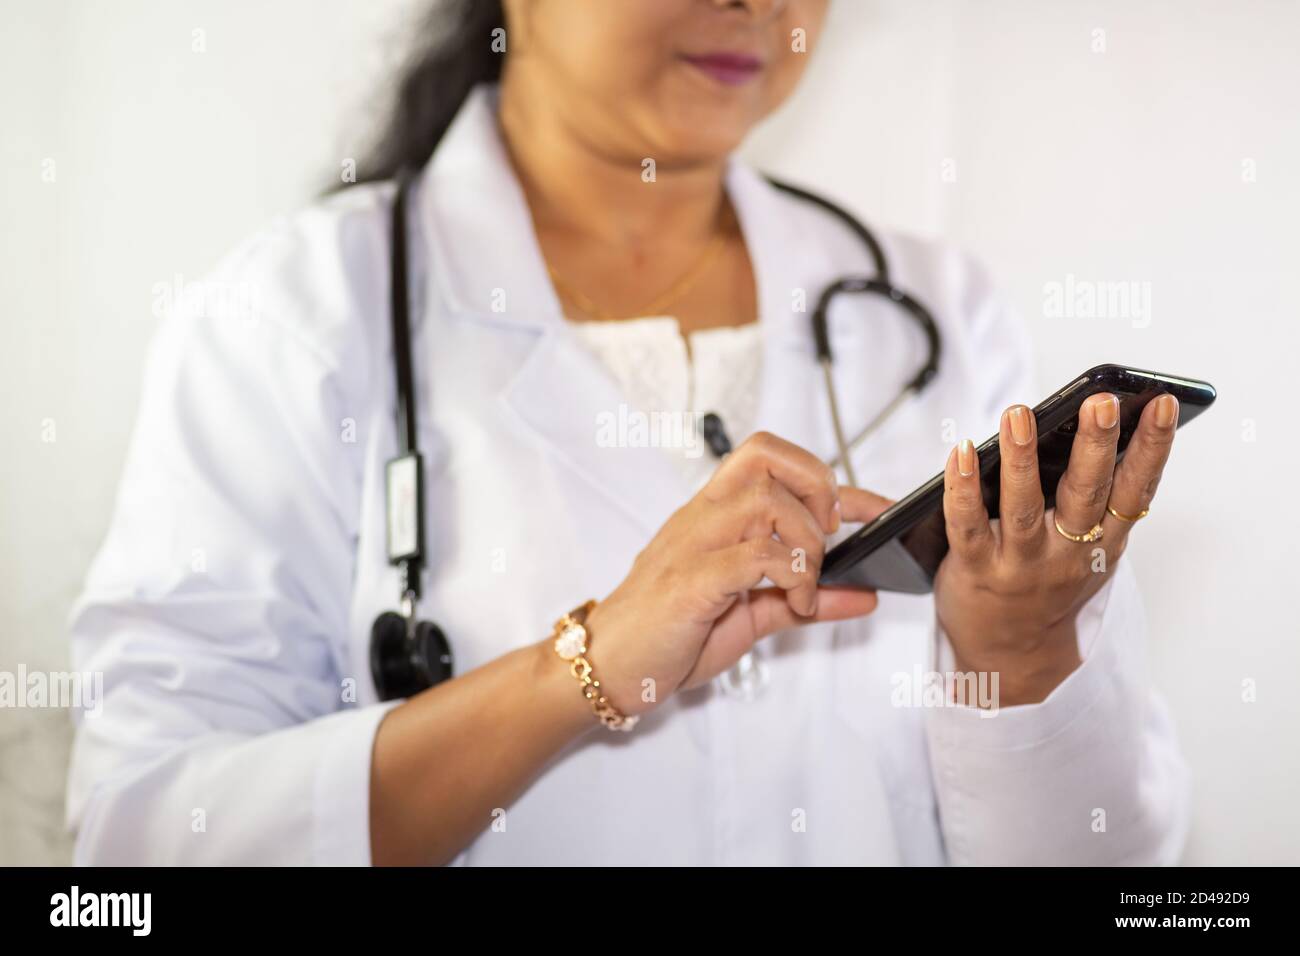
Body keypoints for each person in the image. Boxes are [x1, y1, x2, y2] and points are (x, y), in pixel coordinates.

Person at [67, 0, 1189, 865]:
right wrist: (587, 665)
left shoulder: (939, 315)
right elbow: (139, 845)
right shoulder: (294, 315)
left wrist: (1024, 654)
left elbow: (1124, 868)